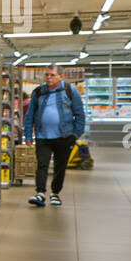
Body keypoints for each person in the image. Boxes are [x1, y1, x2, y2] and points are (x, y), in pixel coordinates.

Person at [23, 64, 85, 207]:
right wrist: (28, 134)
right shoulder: (38, 92)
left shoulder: (70, 91)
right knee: (42, 164)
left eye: (52, 75)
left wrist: (75, 135)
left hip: (64, 136)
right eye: (47, 75)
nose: (49, 78)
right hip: (42, 135)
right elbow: (30, 114)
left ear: (61, 77)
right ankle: (40, 193)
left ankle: (55, 193)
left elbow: (79, 115)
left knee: (60, 166)